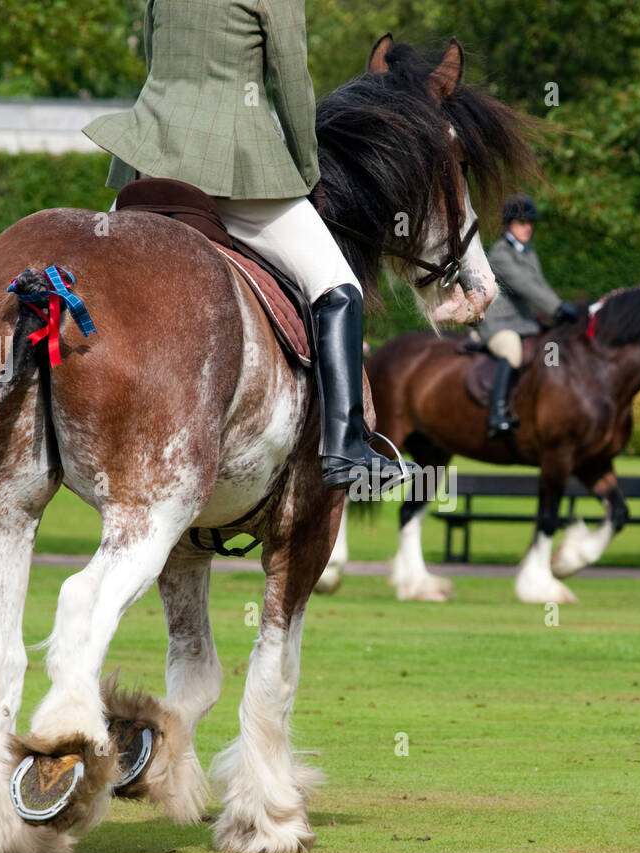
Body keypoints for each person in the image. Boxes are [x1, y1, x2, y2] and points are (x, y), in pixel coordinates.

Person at [83, 0, 403, 492]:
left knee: (85, 279)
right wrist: (307, 173)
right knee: (338, 286)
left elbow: (154, 63)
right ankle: (345, 449)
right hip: (234, 169)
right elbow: (293, 87)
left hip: (152, 161)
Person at [476, 194, 577, 437]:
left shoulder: (528, 253)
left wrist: (559, 307)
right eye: (522, 222)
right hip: (499, 324)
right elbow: (525, 286)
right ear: (509, 224)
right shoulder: (500, 253)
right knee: (512, 351)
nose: (528, 227)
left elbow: (540, 285)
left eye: (530, 222)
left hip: (525, 323)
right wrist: (556, 307)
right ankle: (497, 415)